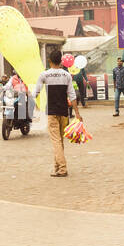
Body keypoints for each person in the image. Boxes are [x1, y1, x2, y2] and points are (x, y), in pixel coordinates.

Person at [33, 49, 83, 178]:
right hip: (64, 112)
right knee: (59, 141)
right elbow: (72, 96)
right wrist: (77, 113)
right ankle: (57, 167)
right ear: (60, 61)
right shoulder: (66, 75)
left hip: (51, 111)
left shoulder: (44, 75)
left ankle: (62, 168)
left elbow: (36, 92)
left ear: (49, 61)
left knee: (56, 141)